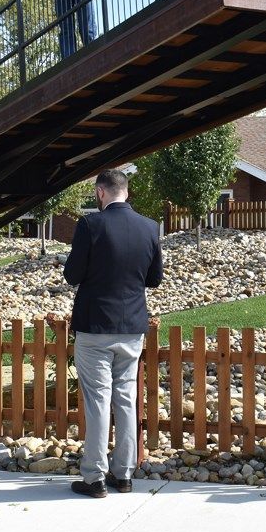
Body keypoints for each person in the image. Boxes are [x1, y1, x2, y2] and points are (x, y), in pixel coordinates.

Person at [63, 170, 164, 498]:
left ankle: (94, 478)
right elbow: (154, 279)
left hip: (95, 326)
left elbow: (72, 274)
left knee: (97, 401)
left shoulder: (90, 225)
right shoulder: (149, 228)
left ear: (100, 193)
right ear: (127, 192)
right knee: (125, 398)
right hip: (132, 326)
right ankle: (123, 475)